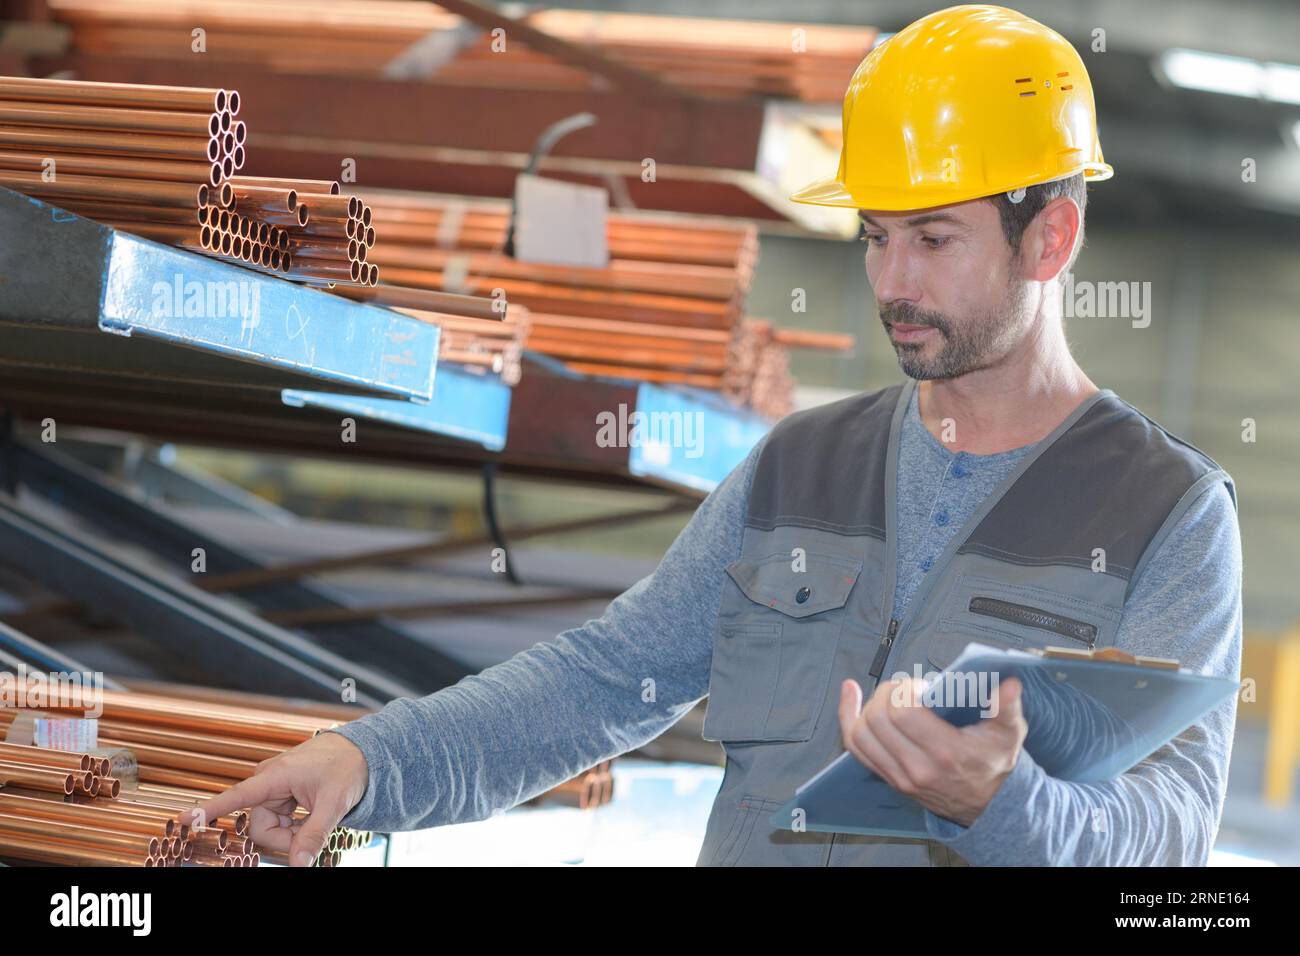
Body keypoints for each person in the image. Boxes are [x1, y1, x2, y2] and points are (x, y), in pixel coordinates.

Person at [195, 5, 1242, 866]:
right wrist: (368, 761)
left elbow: (1171, 834)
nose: (891, 283)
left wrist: (1003, 801)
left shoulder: (1164, 513)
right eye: (875, 236)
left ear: (1050, 237)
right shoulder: (801, 465)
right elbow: (605, 680)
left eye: (932, 238)